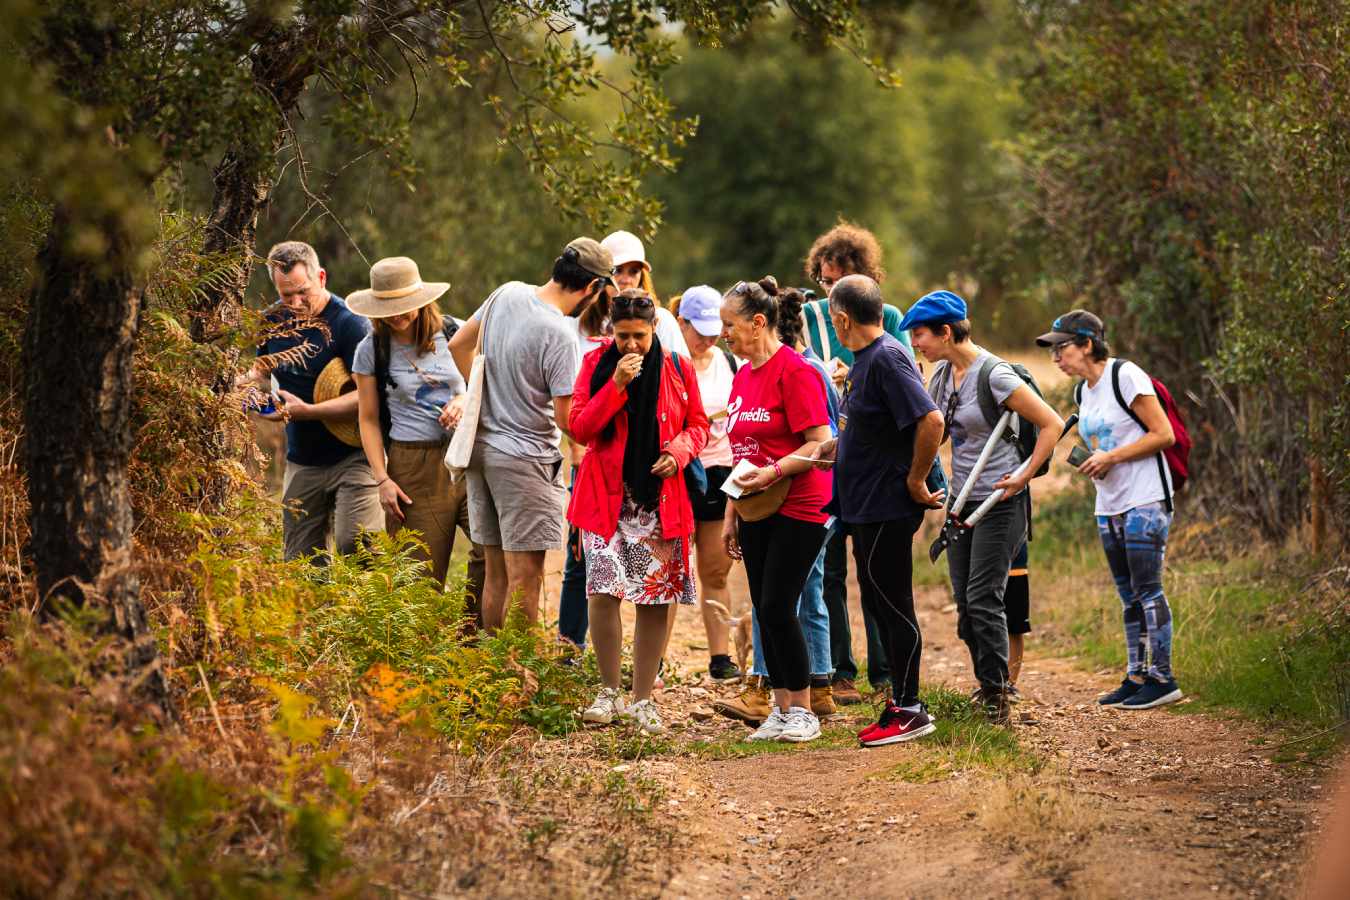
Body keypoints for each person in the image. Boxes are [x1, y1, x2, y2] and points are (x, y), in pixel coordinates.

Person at [908, 291, 1064, 724]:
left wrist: (1025, 474)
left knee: (983, 598)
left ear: (945, 331)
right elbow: (934, 432)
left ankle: (998, 698)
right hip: (963, 502)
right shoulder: (943, 377)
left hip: (1001, 502)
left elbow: (1050, 423)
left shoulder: (993, 374)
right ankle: (987, 685)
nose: (916, 343)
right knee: (965, 604)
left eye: (920, 334)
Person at [448, 238, 613, 631]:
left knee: (495, 574)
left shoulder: (506, 293)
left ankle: (495, 675)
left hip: (481, 451)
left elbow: (457, 345)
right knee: (526, 578)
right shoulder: (559, 332)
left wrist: (485, 395)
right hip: (524, 461)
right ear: (591, 288)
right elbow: (565, 418)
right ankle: (518, 682)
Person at [812, 276, 945, 746]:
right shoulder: (866, 360)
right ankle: (899, 703)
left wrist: (915, 478)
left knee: (893, 604)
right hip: (863, 505)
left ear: (844, 318)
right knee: (877, 600)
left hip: (887, 505)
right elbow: (871, 424)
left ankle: (909, 708)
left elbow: (931, 419)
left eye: (832, 318)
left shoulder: (887, 357)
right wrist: (837, 446)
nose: (834, 325)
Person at [570, 289, 709, 734]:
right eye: (623, 336)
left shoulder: (676, 367)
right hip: (606, 497)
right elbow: (580, 426)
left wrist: (679, 452)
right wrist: (615, 387)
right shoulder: (596, 365)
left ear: (654, 331)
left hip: (658, 498)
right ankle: (608, 691)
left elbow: (698, 425)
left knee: (655, 598)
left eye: (639, 337)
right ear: (611, 330)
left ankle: (642, 699)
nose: (631, 345)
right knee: (602, 591)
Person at [1039, 310, 1182, 710]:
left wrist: (1111, 458)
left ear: (1087, 344)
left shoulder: (1126, 376)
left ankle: (1163, 678)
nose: (1056, 358)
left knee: (1148, 589)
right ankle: (1136, 676)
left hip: (1145, 498)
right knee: (1127, 594)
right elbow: (1104, 443)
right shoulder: (1084, 392)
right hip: (1110, 502)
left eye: (1061, 348)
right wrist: (1095, 459)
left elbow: (1163, 434)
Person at [800, 221, 911, 704]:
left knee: (875, 572)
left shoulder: (887, 317)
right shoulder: (808, 314)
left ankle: (886, 673)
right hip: (829, 449)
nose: (829, 292)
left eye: (837, 280)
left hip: (869, 451)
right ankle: (839, 668)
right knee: (830, 570)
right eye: (823, 280)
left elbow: (908, 379)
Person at [720, 277, 833, 743]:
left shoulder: (796, 372)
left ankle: (803, 709)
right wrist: (732, 512)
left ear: (758, 323)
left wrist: (772, 473)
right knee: (767, 611)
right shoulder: (743, 375)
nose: (724, 333)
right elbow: (741, 449)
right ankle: (781, 710)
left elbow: (821, 442)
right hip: (754, 507)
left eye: (730, 325)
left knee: (778, 605)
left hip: (800, 504)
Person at [349, 257, 485, 613]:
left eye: (405, 306)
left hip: (468, 458)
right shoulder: (372, 350)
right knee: (418, 575)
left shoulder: (455, 332)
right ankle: (421, 659)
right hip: (413, 465)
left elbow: (482, 385)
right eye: (388, 308)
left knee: (493, 552)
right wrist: (382, 479)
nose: (398, 315)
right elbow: (368, 418)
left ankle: (475, 642)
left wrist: (463, 398)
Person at [250, 241, 382, 562]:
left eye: (303, 292)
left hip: (354, 456)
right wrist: (255, 399)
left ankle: (371, 610)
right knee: (301, 565)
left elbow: (369, 397)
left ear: (321, 277)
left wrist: (309, 412)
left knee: (358, 545)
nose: (295, 303)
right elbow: (260, 375)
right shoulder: (270, 323)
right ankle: (322, 613)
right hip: (303, 459)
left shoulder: (350, 324)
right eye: (285, 295)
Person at [675, 285, 742, 682]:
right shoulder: (670, 362)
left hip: (719, 470)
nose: (708, 339)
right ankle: (657, 659)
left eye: (715, 330)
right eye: (699, 330)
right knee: (669, 572)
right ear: (681, 323)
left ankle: (721, 657)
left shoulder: (728, 362)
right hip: (681, 472)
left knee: (715, 572)